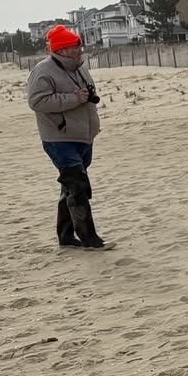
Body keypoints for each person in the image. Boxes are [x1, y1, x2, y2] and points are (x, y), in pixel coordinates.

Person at [26, 24, 112, 250]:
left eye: (79, 45)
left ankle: (65, 235)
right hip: (59, 138)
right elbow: (37, 102)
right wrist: (74, 98)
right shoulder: (43, 71)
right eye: (76, 46)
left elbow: (86, 93)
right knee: (78, 185)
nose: (80, 49)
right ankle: (89, 238)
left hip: (84, 136)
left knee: (70, 186)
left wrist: (87, 96)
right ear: (62, 50)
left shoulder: (80, 67)